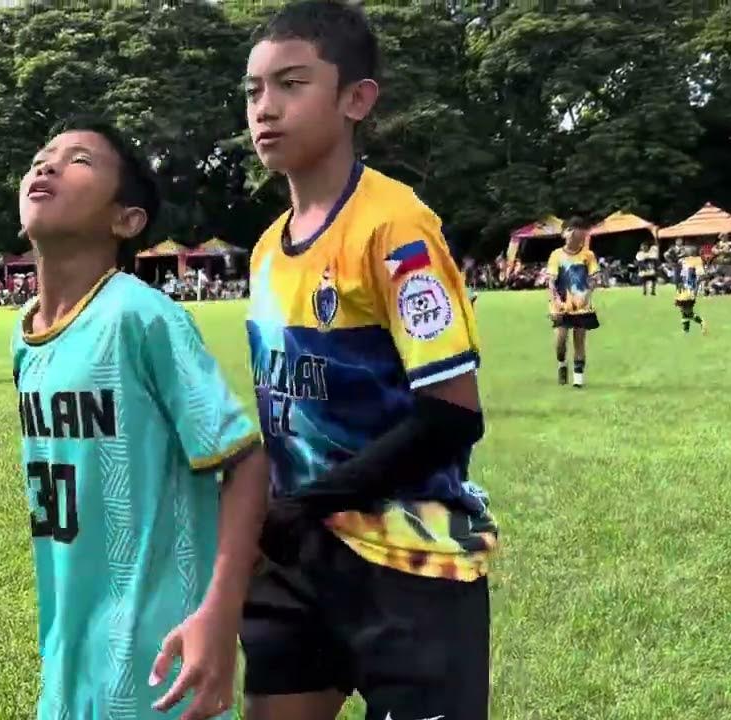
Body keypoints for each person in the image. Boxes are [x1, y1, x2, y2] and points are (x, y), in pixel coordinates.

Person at [240, 4, 495, 719]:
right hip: (300, 560)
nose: (265, 108)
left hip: (410, 563)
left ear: (356, 99)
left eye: (291, 84)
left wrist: (309, 503)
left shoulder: (396, 227)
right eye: (254, 90)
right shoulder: (266, 249)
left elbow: (451, 417)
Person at [14, 118, 268, 720]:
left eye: (79, 160)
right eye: (42, 156)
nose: (46, 166)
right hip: (69, 653)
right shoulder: (24, 335)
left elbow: (248, 462)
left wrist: (219, 613)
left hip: (158, 656)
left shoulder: (141, 316)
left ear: (126, 220)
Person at [547, 216, 600, 388]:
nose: (573, 235)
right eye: (570, 231)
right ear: (564, 234)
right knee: (560, 341)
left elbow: (594, 278)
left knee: (579, 339)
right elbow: (551, 281)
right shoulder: (556, 255)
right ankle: (562, 363)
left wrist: (587, 294)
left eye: (577, 232)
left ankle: (578, 379)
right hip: (561, 305)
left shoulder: (588, 255)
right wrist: (556, 299)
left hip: (581, 305)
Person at [674, 244, 709, 335]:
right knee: (683, 309)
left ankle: (701, 322)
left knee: (686, 310)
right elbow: (681, 275)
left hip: (690, 288)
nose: (683, 251)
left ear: (691, 251)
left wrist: (697, 288)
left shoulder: (697, 260)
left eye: (685, 250)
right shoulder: (684, 261)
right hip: (683, 288)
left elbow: (701, 275)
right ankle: (686, 330)